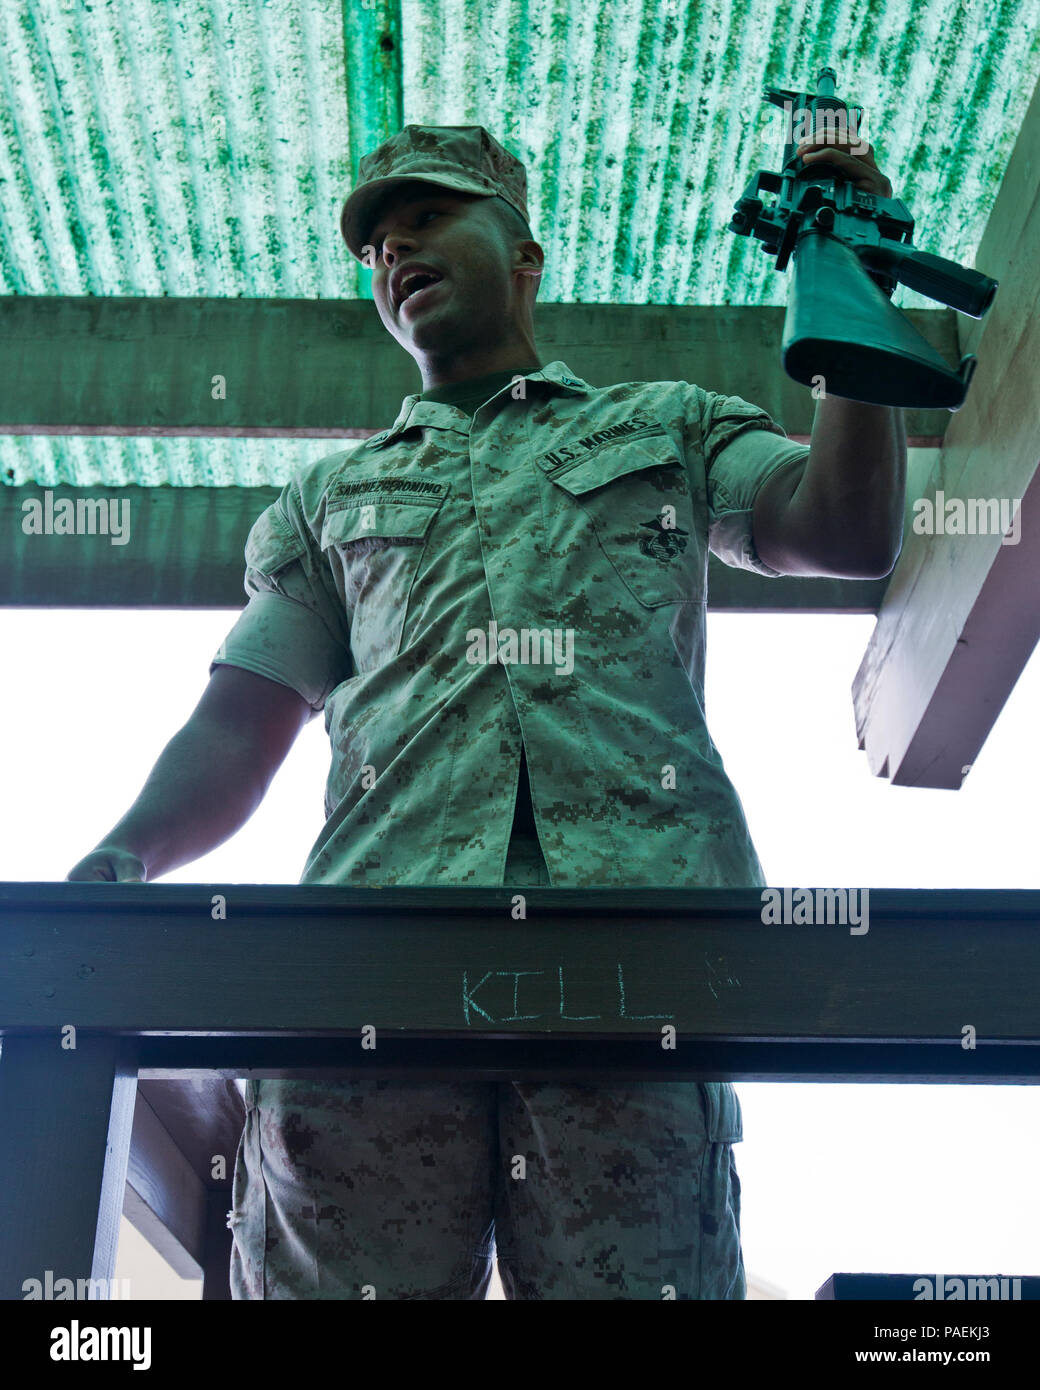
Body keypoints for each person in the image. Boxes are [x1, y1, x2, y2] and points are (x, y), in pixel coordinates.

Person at [67, 124, 905, 1299]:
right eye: (376, 243)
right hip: (368, 976)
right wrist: (126, 852)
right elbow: (238, 719)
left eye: (428, 218)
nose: (395, 249)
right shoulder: (327, 499)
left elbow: (841, 529)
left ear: (524, 253)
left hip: (634, 966)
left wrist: (848, 282)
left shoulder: (664, 427)